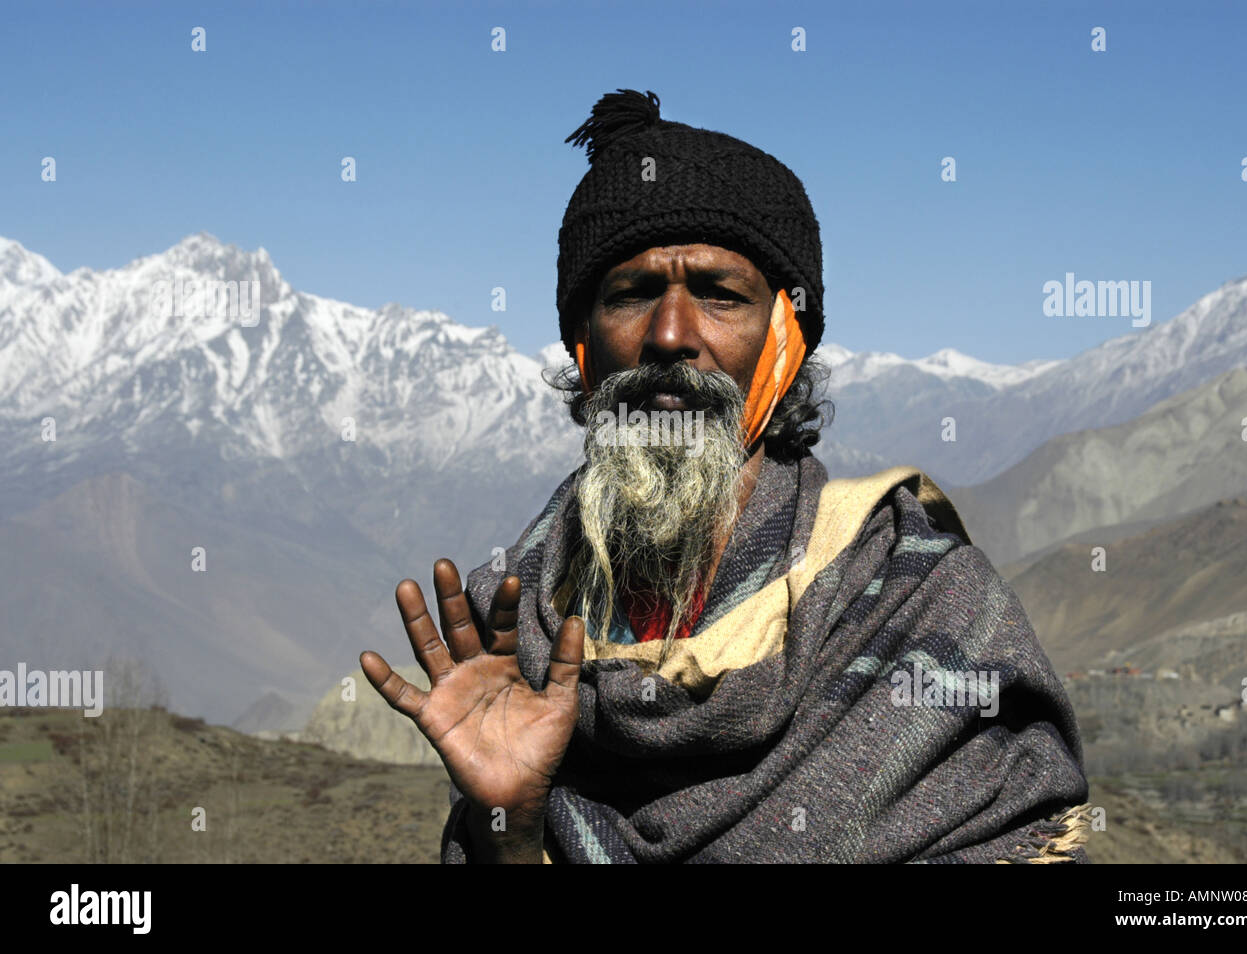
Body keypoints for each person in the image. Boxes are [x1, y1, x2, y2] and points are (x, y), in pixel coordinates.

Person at [360, 89, 1090, 863]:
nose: (671, 334)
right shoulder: (511, 636)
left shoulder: (922, 607)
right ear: (583, 342)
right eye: (631, 294)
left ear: (786, 340)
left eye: (719, 295)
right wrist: (510, 828)